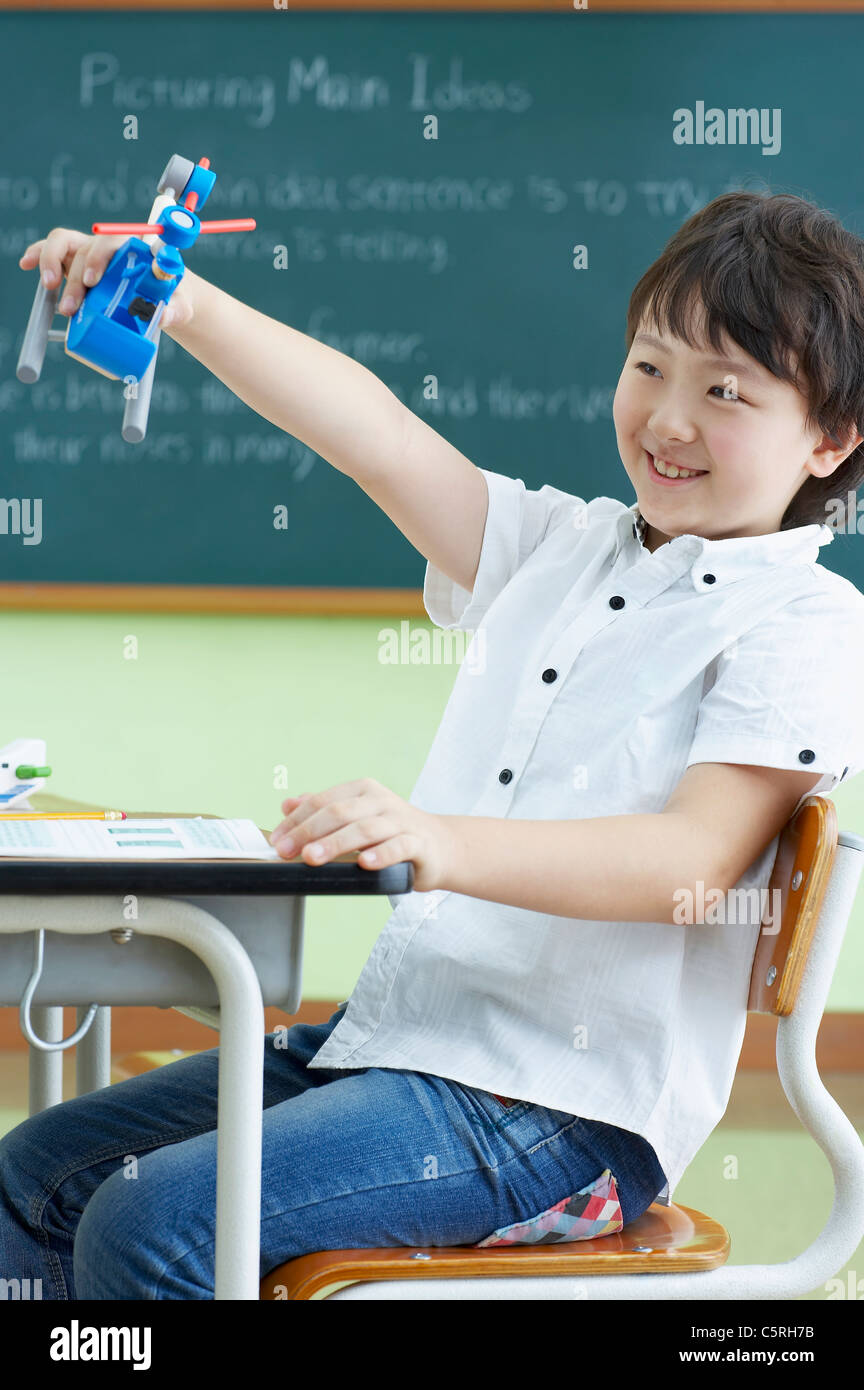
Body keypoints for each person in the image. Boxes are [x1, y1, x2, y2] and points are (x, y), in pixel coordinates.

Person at [3, 190, 864, 1300]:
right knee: (37, 1174)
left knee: (156, 1221)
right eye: (649, 368)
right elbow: (376, 436)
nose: (668, 420)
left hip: (562, 1115)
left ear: (834, 437)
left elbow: (694, 866)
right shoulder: (565, 547)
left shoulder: (804, 623)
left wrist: (440, 841)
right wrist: (182, 302)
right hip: (399, 1045)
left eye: (725, 391)